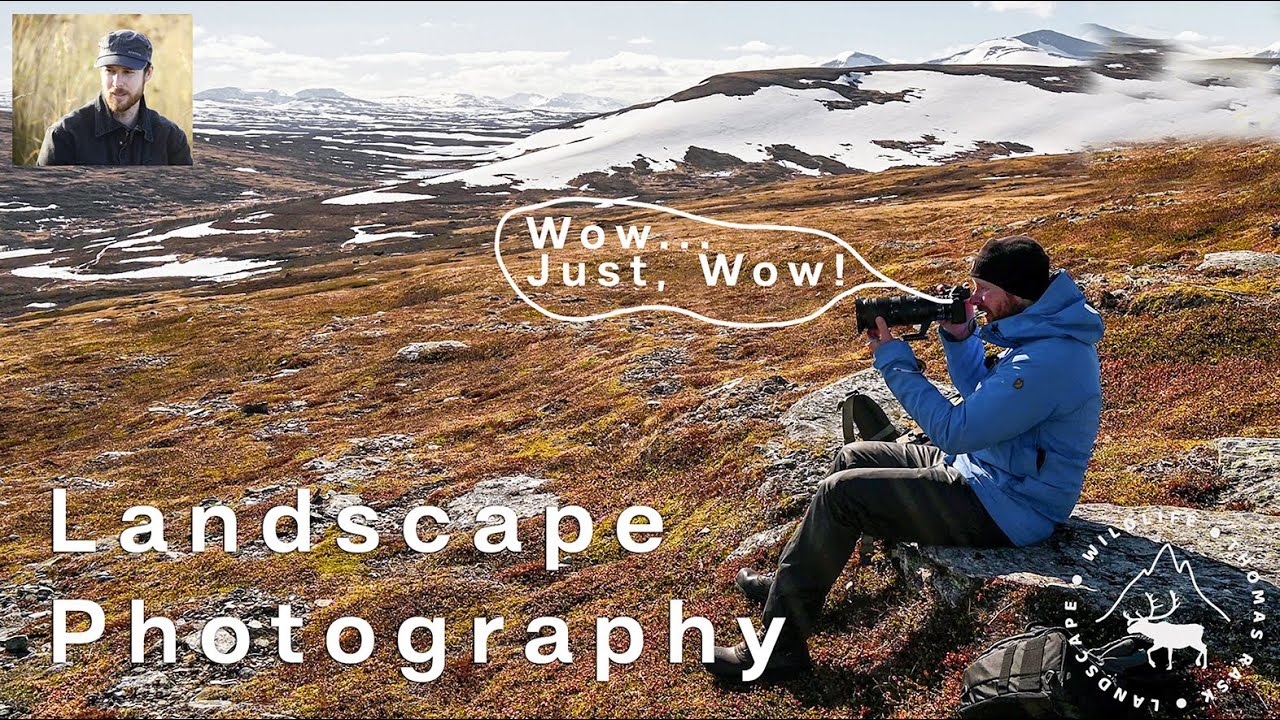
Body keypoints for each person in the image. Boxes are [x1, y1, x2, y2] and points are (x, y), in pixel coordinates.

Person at [705, 235, 1104, 681]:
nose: (975, 300)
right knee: (853, 457)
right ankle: (789, 589)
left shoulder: (1047, 360)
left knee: (844, 495)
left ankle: (778, 653)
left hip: (1011, 506)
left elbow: (956, 431)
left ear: (1015, 293)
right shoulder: (1039, 331)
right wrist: (961, 340)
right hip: (987, 469)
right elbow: (984, 399)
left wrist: (895, 363)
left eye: (984, 290)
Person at [37, 29, 192, 166]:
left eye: (128, 72)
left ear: (148, 73)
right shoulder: (64, 135)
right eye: (110, 71)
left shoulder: (171, 139)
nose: (117, 83)